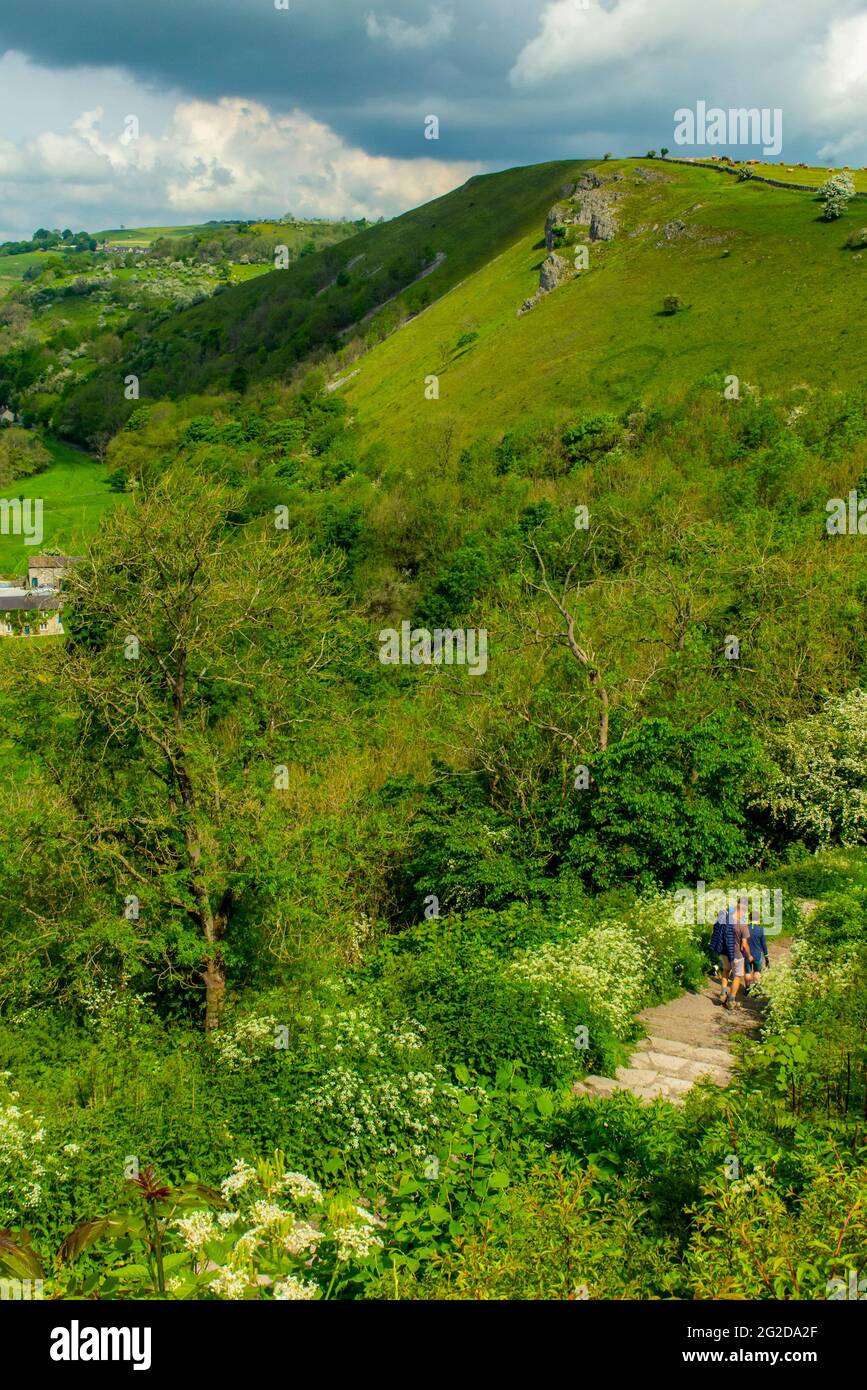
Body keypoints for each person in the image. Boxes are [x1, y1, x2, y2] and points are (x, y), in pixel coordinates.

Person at [722, 898, 753, 1011]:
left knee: (726, 970)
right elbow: (744, 944)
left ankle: (723, 992)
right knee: (738, 976)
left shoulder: (726, 921)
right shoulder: (742, 925)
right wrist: (749, 955)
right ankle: (731, 1000)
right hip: (736, 954)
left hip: (725, 952)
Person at [744, 913, 771, 993]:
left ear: (749, 918)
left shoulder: (745, 928)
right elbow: (764, 945)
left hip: (747, 955)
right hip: (757, 955)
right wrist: (766, 957)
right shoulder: (761, 929)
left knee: (748, 972)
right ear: (758, 919)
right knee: (757, 972)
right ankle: (755, 990)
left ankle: (747, 989)